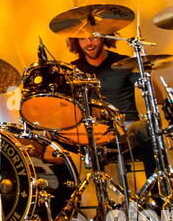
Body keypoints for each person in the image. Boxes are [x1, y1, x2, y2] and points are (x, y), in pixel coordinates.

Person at [67, 35, 157, 177]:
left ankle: (156, 193)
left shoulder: (124, 62)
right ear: (76, 42)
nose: (89, 43)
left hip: (127, 128)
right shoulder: (73, 69)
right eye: (83, 39)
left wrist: (145, 71)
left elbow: (154, 95)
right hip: (93, 131)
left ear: (103, 38)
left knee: (144, 127)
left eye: (93, 38)